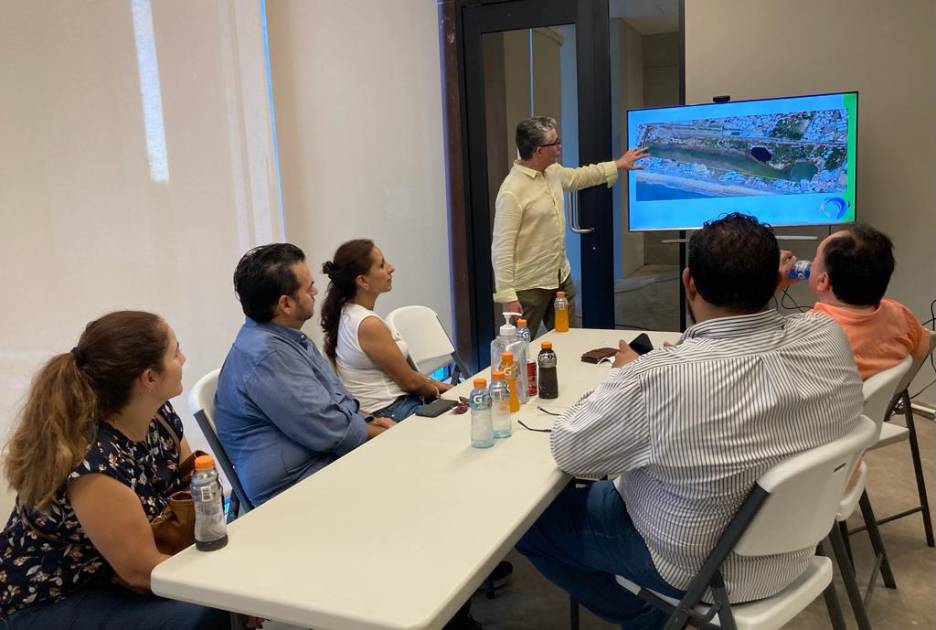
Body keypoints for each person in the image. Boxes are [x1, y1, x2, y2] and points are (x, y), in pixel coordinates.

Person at [516, 213, 864, 628]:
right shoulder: (826, 336)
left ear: (689, 283)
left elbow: (572, 452)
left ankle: (647, 620)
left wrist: (626, 375)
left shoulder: (659, 378)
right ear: (777, 281)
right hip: (799, 548)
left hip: (695, 570)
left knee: (529, 523)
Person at [0, 311, 229, 629]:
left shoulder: (159, 416)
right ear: (149, 378)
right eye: (175, 351)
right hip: (54, 599)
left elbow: (192, 493)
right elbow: (141, 573)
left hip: (112, 577)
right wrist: (228, 592)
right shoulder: (95, 463)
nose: (183, 357)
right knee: (205, 614)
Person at [214, 243, 396, 507]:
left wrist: (369, 422)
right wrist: (376, 433)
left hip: (325, 466)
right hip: (294, 491)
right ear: (286, 304)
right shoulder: (265, 356)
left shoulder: (287, 337)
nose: (316, 291)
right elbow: (325, 426)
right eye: (308, 287)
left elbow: (337, 397)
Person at [491, 116, 648, 336]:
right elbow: (502, 248)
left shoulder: (552, 172)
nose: (559, 147)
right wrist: (507, 296)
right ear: (538, 151)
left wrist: (618, 164)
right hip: (529, 288)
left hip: (560, 279)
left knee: (568, 340)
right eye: (554, 143)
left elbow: (579, 177)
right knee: (518, 349)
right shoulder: (512, 191)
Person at [320, 239, 453, 420]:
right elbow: (410, 382)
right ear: (363, 281)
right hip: (392, 409)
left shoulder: (347, 313)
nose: (391, 268)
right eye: (382, 265)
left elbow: (410, 379)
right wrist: (443, 393)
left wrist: (437, 385)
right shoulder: (368, 324)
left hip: (388, 407)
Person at [783, 224, 930, 379]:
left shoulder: (809, 332)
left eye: (815, 258)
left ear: (823, 281)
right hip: (876, 402)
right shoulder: (900, 313)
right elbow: (923, 348)